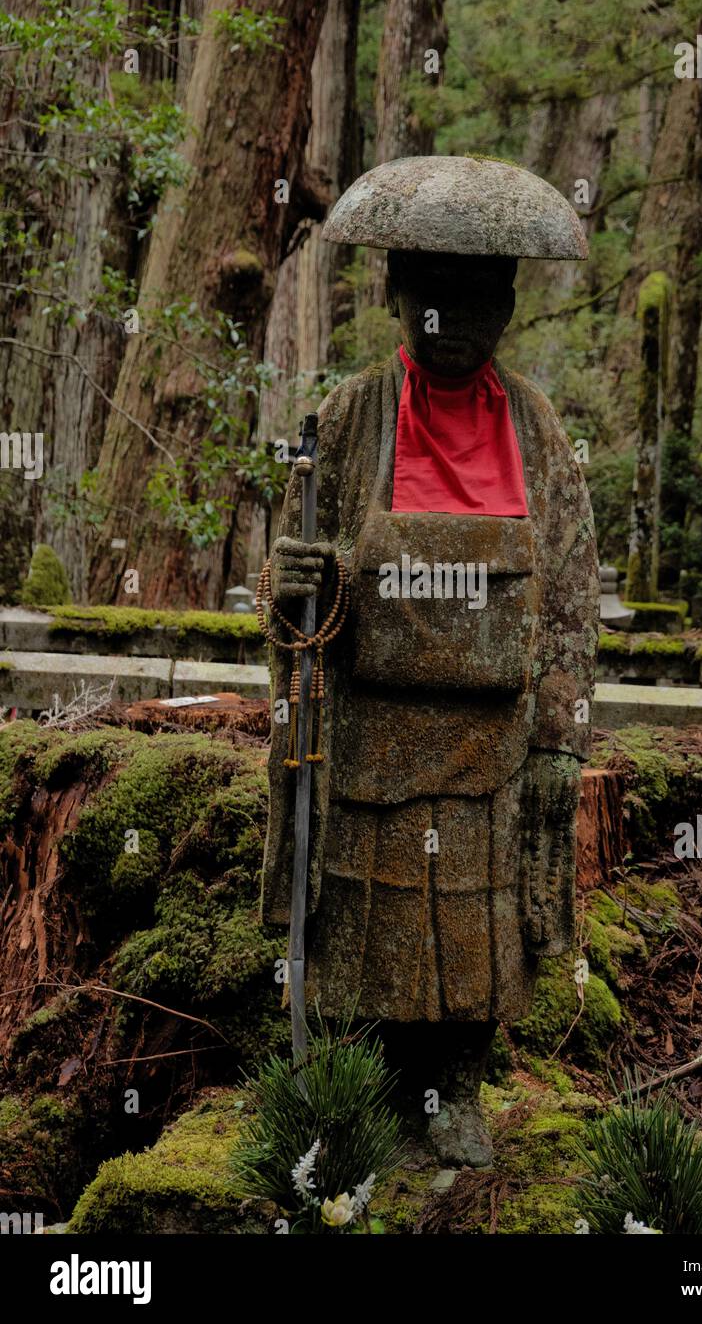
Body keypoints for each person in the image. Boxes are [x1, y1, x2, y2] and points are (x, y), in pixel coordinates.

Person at [262, 156, 599, 1165]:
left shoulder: (535, 433)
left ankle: (453, 1083)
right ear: (393, 295)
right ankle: (357, 1084)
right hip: (372, 734)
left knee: (472, 928)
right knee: (367, 921)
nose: (452, 322)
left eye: (477, 300)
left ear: (505, 303)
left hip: (487, 742)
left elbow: (572, 601)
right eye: (431, 299)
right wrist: (294, 587)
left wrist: (558, 734)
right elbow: (293, 599)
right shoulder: (344, 421)